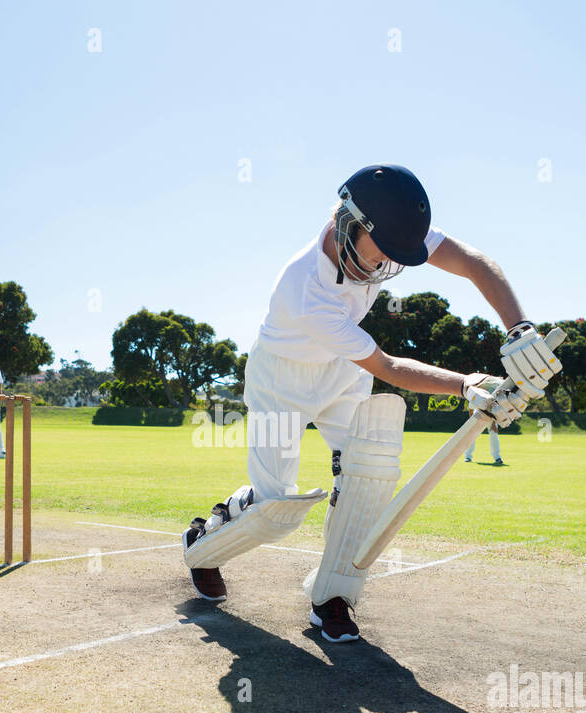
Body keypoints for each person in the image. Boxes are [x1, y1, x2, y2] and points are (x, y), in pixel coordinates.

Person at [182, 165, 557, 642]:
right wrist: (466, 384)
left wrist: (519, 328)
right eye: (381, 253)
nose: (385, 267)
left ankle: (332, 595)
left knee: (366, 475)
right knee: (274, 511)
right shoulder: (308, 291)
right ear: (349, 223)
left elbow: (474, 264)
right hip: (282, 381)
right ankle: (204, 544)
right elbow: (387, 367)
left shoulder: (387, 226)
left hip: (342, 373)